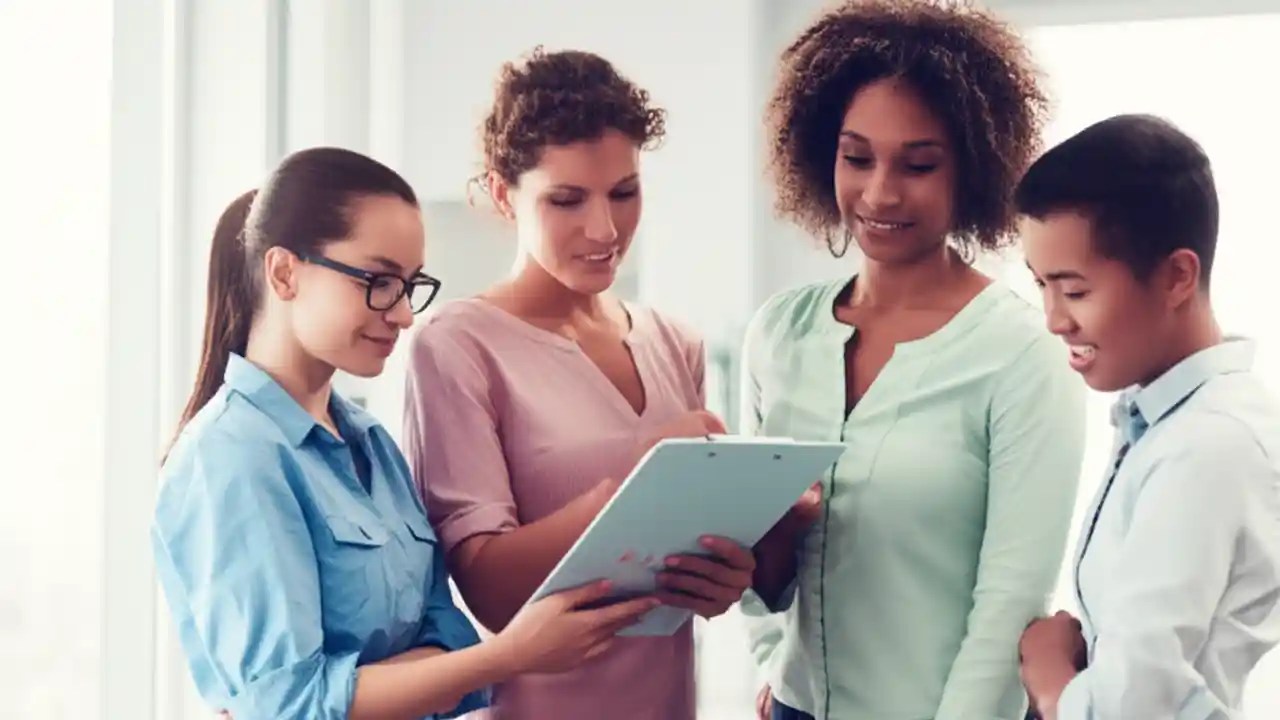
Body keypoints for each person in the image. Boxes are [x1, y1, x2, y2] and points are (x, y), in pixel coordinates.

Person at [151, 148, 658, 720]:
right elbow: (289, 706)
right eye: (379, 281)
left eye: (410, 285)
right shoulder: (230, 457)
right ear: (285, 272)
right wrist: (508, 656)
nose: (403, 314)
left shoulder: (371, 442)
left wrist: (361, 687)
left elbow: (445, 639)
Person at [402, 48, 777, 720]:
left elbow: (677, 572)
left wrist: (722, 577)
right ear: (499, 194)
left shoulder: (672, 342)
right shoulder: (458, 346)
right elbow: (489, 590)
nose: (604, 229)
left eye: (624, 193)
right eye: (566, 200)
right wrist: (639, 475)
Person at [738, 2, 1088, 718]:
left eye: (919, 164)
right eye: (856, 157)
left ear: (973, 169)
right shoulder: (779, 333)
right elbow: (759, 565)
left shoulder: (1020, 353)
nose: (880, 192)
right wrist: (776, 666)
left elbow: (1011, 605)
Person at [1016, 114, 1280, 719]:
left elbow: (1131, 709)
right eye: (1042, 287)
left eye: (1075, 290)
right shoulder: (1164, 422)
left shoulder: (1208, 445)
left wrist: (1048, 672)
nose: (1054, 319)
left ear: (1176, 276)